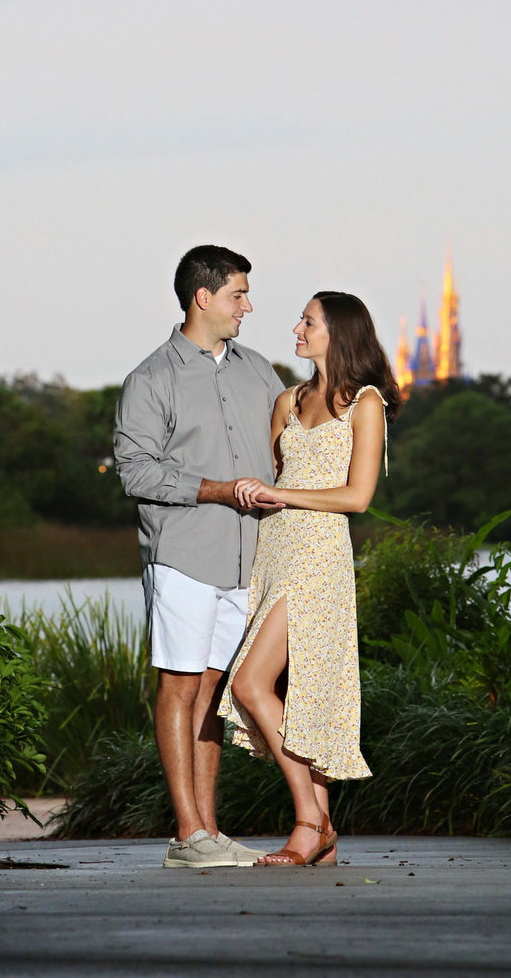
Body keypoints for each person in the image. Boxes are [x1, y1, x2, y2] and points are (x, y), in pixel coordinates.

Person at [113, 245, 285, 868]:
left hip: (248, 560)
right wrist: (216, 489)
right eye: (238, 294)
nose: (248, 305)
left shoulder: (259, 371)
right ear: (202, 298)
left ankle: (207, 831)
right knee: (180, 686)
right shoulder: (151, 379)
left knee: (215, 692)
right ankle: (187, 835)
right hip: (183, 554)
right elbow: (135, 473)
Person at [219, 291, 400, 867]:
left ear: (338, 334)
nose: (296, 328)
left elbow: (358, 496)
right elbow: (275, 477)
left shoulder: (365, 402)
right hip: (273, 552)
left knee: (250, 684)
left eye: (309, 321)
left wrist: (280, 493)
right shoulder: (287, 400)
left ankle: (308, 822)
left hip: (319, 558)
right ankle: (322, 832)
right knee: (304, 697)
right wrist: (255, 491)